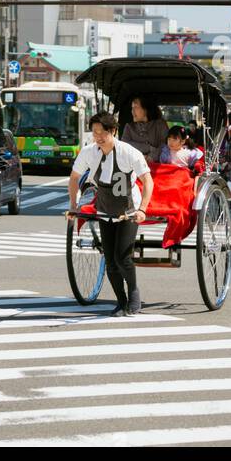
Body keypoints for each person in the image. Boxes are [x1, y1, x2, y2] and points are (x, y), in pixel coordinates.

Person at [67, 110, 153, 317]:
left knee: (122, 256)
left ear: (113, 131)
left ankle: (133, 294)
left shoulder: (128, 152)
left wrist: (142, 209)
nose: (97, 137)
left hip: (128, 210)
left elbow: (148, 181)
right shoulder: (89, 152)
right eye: (94, 132)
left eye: (101, 133)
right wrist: (73, 205)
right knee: (110, 260)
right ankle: (120, 300)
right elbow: (74, 178)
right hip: (105, 209)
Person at [120, 95, 169, 163]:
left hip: (157, 167)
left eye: (136, 107)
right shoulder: (129, 127)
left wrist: (151, 157)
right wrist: (148, 148)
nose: (132, 111)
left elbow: (165, 144)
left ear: (145, 110)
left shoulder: (160, 125)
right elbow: (124, 146)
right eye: (132, 108)